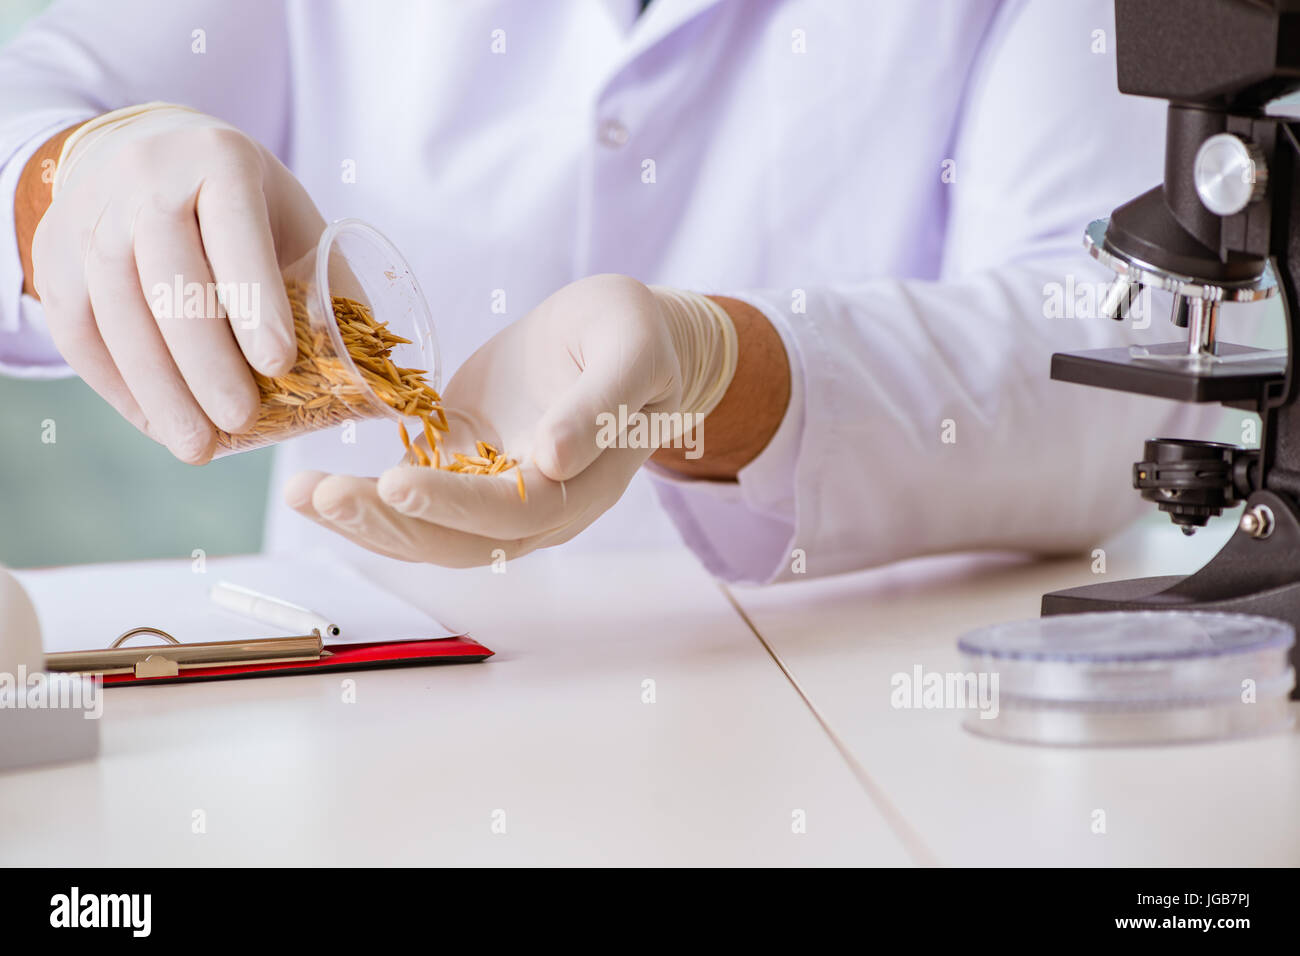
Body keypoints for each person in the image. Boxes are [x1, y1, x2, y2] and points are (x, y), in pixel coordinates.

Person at [0, 0, 1231, 583]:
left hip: (876, 705)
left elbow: (1122, 358)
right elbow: (38, 86)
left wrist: (719, 369)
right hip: (365, 679)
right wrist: (70, 176)